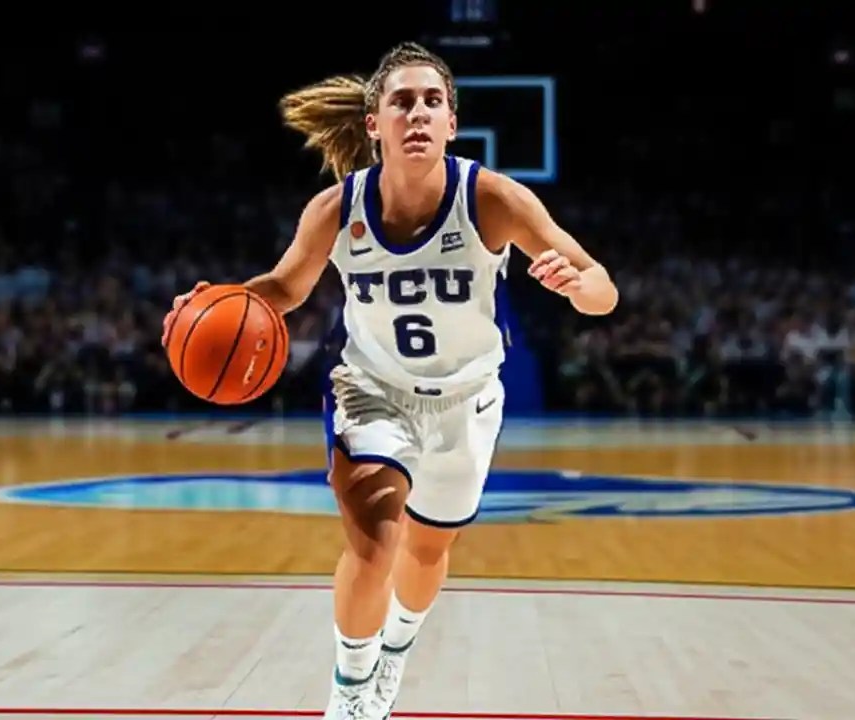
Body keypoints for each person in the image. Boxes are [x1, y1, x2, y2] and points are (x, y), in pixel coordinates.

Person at [162, 42, 618, 719]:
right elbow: (283, 288)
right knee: (376, 540)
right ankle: (350, 692)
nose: (418, 113)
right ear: (373, 123)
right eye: (402, 101)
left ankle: (395, 652)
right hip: (372, 389)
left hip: (467, 398)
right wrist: (215, 304)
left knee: (428, 552)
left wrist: (579, 287)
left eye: (433, 101)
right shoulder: (335, 209)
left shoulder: (493, 199)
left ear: (452, 124)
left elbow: (604, 289)